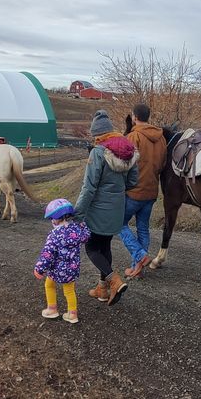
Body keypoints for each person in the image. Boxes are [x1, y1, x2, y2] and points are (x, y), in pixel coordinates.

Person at [75, 110, 139, 306]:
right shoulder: (128, 151)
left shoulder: (98, 153)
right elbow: (133, 182)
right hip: (117, 208)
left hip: (98, 210)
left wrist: (77, 214)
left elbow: (89, 187)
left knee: (92, 247)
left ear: (98, 135)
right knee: (105, 246)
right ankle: (102, 289)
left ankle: (114, 280)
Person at [119, 104, 167, 279]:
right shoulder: (161, 138)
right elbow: (162, 165)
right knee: (143, 229)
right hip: (152, 191)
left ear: (134, 117)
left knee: (118, 223)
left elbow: (125, 164)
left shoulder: (133, 136)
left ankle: (140, 255)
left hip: (134, 191)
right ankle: (137, 269)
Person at [34, 198, 90, 324]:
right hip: (72, 269)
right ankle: (72, 314)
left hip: (56, 270)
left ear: (55, 219)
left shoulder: (54, 235)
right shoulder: (77, 230)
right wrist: (83, 225)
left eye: (52, 218)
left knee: (49, 285)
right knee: (69, 291)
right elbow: (86, 236)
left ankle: (52, 309)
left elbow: (47, 254)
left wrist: (39, 268)